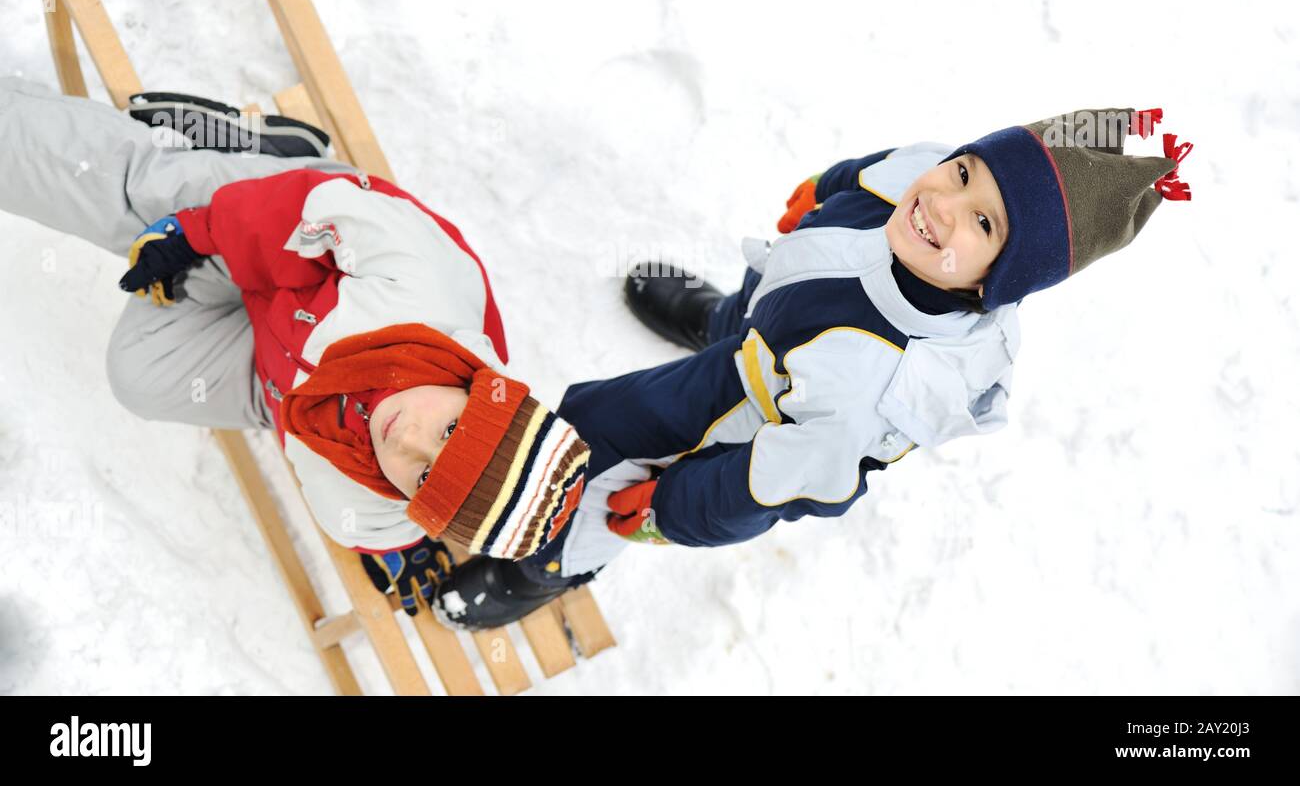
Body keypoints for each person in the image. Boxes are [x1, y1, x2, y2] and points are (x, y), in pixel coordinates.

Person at [431, 106, 1194, 627]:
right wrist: (824, 191)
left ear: (998, 280)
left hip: (757, 403)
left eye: (985, 222)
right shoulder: (927, 185)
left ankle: (541, 566)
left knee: (600, 435)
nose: (944, 204)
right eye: (965, 174)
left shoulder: (879, 383)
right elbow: (883, 171)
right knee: (747, 316)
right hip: (778, 314)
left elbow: (775, 482)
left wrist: (670, 510)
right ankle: (718, 321)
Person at [0, 78, 598, 629]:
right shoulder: (421, 285)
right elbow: (302, 218)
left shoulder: (372, 503)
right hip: (293, 224)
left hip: (281, 361)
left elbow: (374, 522)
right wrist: (199, 232)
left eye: (421, 476)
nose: (405, 440)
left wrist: (395, 548)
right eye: (446, 432)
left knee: (139, 376)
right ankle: (249, 160)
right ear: (478, 390)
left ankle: (236, 178)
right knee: (135, 196)